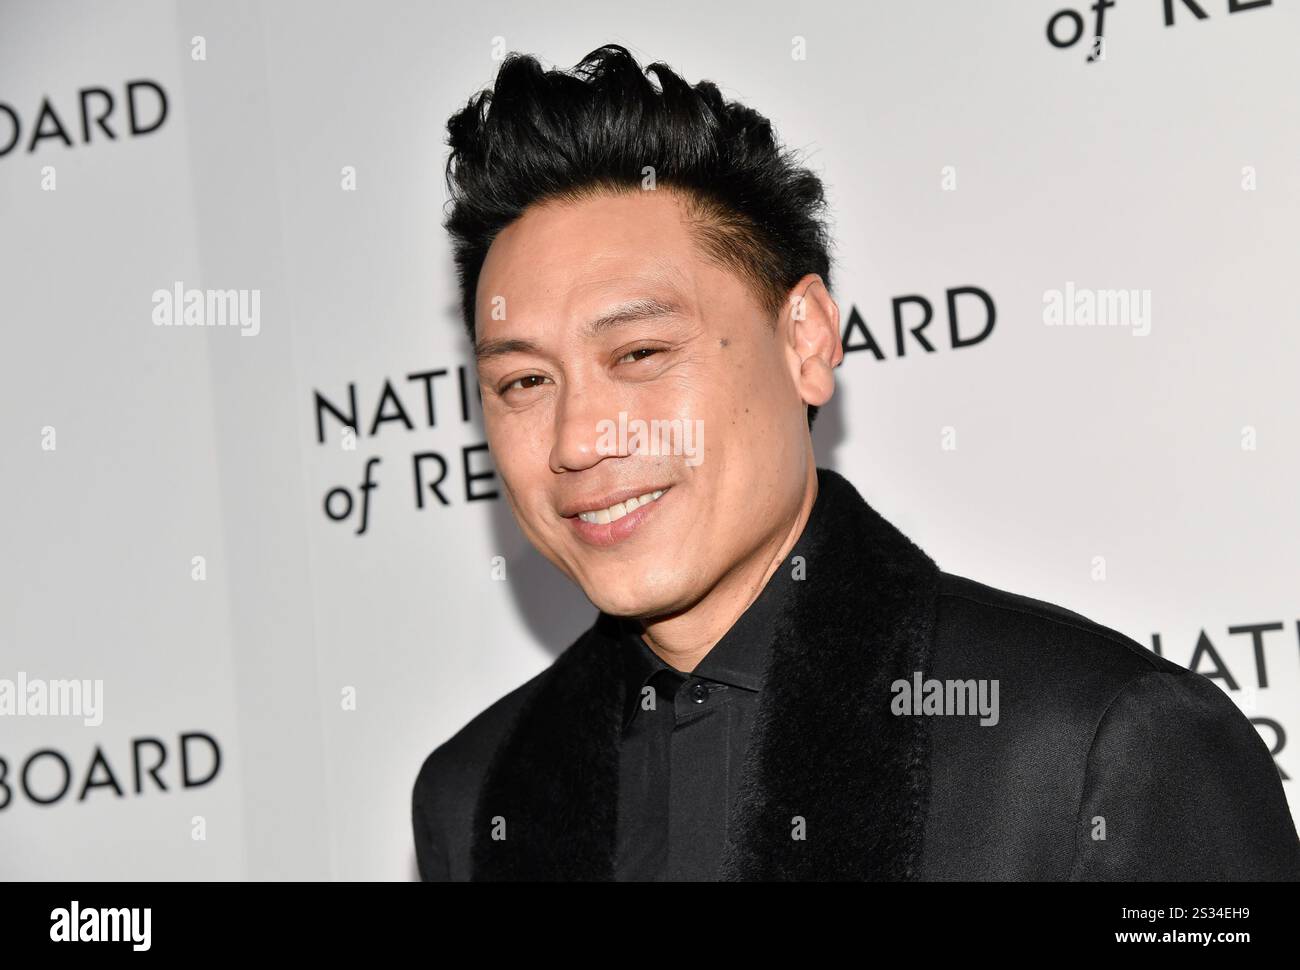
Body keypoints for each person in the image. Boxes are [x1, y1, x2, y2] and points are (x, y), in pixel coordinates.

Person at [412, 44, 1300, 881]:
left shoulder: (1098, 748)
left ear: (806, 339)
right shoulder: (478, 794)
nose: (577, 439)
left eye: (641, 354)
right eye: (524, 380)